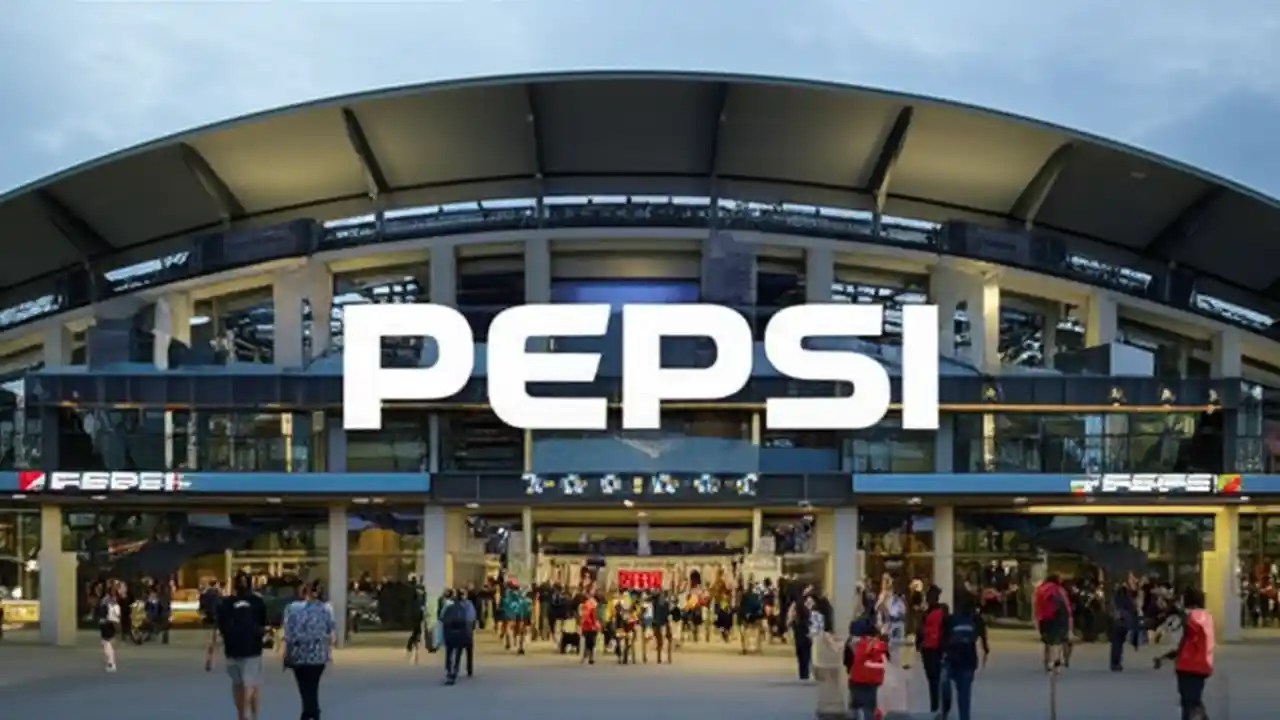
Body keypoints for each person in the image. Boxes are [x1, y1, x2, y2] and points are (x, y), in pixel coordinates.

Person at [207, 571, 268, 720]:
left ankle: (242, 715)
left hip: (233, 649)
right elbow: (264, 624)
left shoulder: (226, 603)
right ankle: (250, 715)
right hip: (252, 649)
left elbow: (218, 628)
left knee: (239, 684)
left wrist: (211, 653)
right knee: (251, 684)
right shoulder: (257, 602)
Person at [1154, 587, 1214, 720]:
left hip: (1187, 665)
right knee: (1194, 699)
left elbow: (1176, 639)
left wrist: (1163, 657)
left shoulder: (1187, 617)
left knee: (1188, 702)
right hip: (1203, 665)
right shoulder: (1207, 617)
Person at [282, 581, 334, 720]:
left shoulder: (292, 608)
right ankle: (311, 711)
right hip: (318, 654)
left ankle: (310, 711)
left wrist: (286, 653)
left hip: (298, 654)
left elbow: (288, 633)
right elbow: (331, 632)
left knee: (304, 686)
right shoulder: (326, 608)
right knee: (312, 684)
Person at [939, 597, 989, 720]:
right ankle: (963, 717)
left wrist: (942, 653)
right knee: (964, 696)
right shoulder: (976, 619)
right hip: (968, 661)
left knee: (945, 686)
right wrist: (985, 650)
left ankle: (945, 709)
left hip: (951, 659)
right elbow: (983, 638)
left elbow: (943, 637)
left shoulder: (951, 619)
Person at [846, 621, 888, 720]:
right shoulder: (878, 644)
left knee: (855, 706)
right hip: (872, 681)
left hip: (857, 679)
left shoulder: (855, 643)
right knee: (869, 707)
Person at [916, 585, 947, 714]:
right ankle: (941, 706)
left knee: (932, 679)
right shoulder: (943, 612)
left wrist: (918, 644)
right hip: (939, 648)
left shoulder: (926, 614)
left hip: (928, 649)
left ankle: (935, 706)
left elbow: (920, 631)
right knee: (940, 679)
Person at [1033, 573, 1073, 673]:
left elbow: (1037, 605)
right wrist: (1069, 619)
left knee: (1048, 642)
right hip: (1057, 618)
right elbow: (1065, 606)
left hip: (1044, 618)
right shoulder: (1058, 590)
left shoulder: (1040, 589)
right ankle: (1056, 663)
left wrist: (1037, 618)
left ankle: (1047, 662)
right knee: (1058, 642)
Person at [440, 588, 473, 685]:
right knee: (458, 652)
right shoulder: (465, 607)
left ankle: (449, 671)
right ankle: (454, 670)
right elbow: (470, 619)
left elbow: (442, 618)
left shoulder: (449, 607)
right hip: (461, 632)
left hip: (449, 633)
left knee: (449, 652)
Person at [97, 589, 121, 672]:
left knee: (106, 643)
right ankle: (110, 662)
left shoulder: (108, 603)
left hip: (108, 623)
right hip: (109, 623)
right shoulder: (113, 604)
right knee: (106, 643)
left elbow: (111, 616)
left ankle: (111, 663)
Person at [580, 591, 602, 664]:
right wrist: (597, 625)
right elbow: (594, 616)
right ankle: (590, 658)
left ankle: (584, 657)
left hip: (585, 625)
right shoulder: (594, 604)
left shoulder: (587, 602)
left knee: (587, 642)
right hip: (591, 626)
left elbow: (583, 614)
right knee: (592, 643)